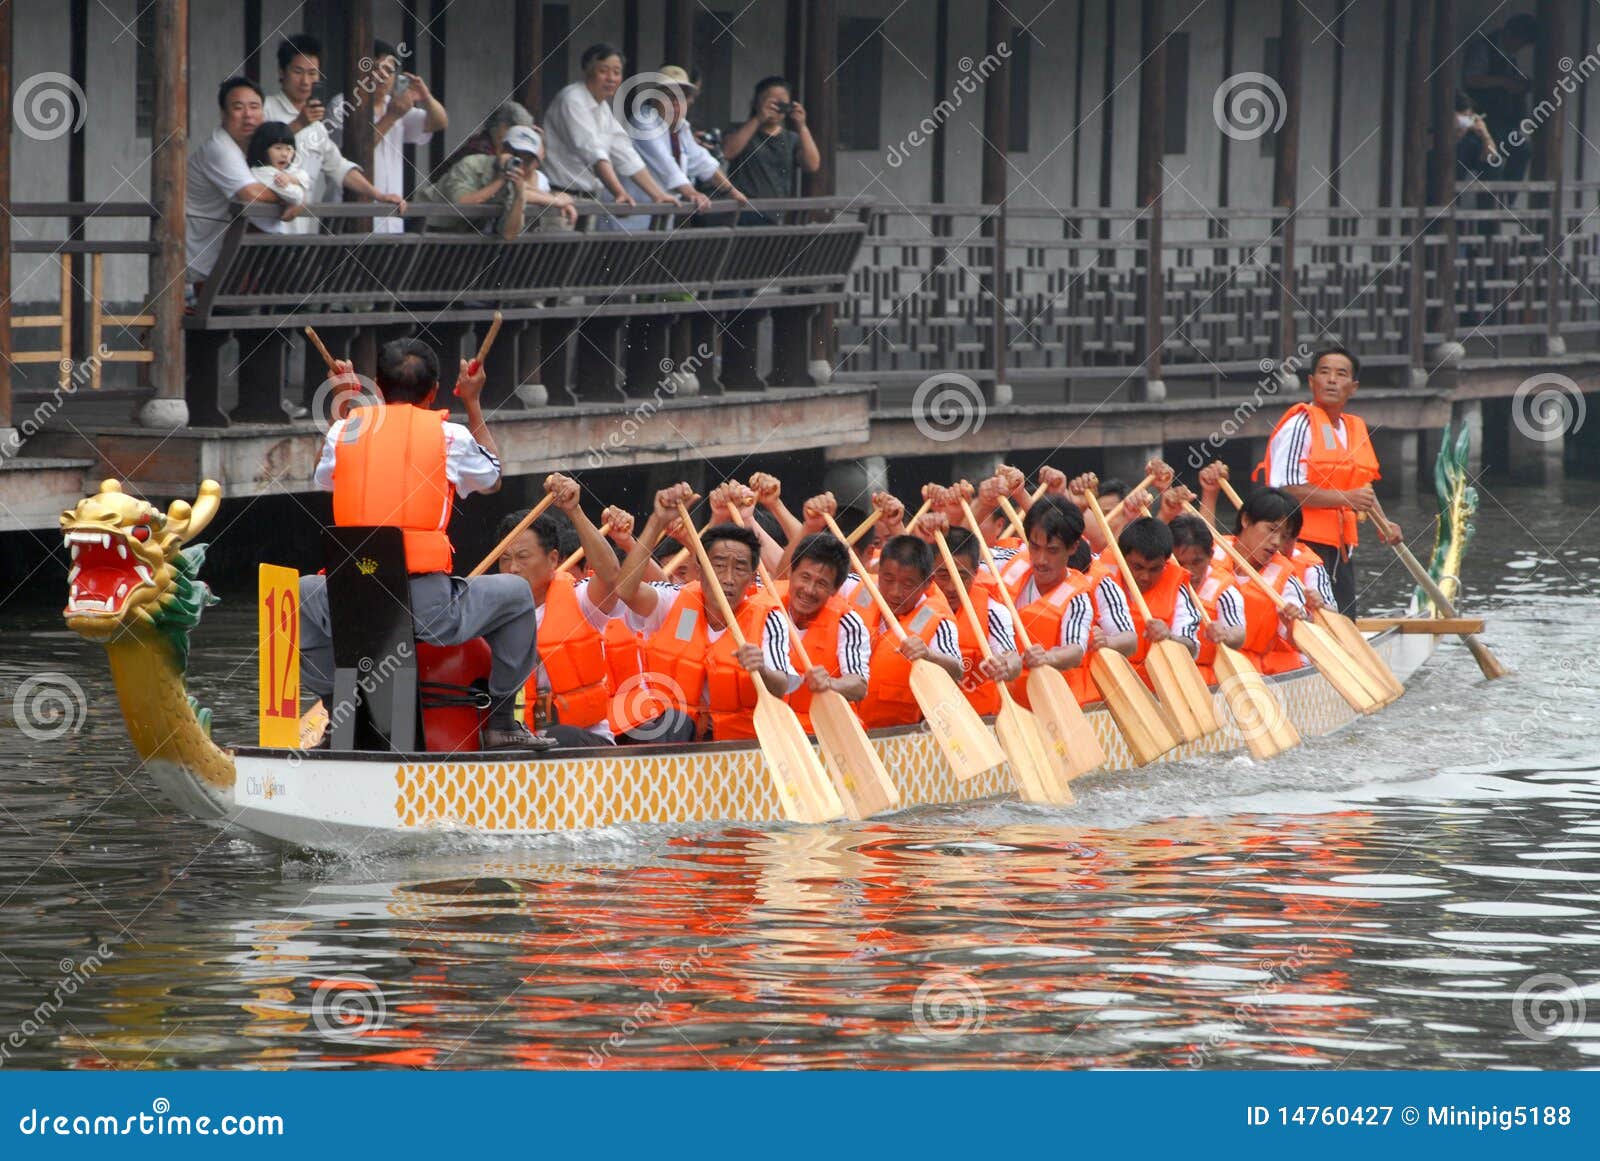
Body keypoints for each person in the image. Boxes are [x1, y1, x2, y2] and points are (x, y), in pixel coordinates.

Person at [297, 338, 551, 751]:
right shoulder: (449, 434)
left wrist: (345, 405)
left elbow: (321, 478)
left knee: (304, 592)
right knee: (518, 593)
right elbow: (493, 476)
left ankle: (334, 716)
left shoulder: (345, 430)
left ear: (378, 386)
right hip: (425, 610)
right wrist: (472, 402)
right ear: (433, 393)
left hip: (352, 603)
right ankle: (501, 722)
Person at [587, 483, 801, 744]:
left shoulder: (769, 618)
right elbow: (626, 590)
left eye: (740, 568)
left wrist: (762, 669)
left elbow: (781, 685)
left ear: (753, 577)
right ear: (700, 570)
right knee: (668, 724)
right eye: (719, 566)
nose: (728, 578)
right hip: (678, 736)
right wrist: (657, 521)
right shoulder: (676, 600)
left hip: (740, 745)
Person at [1255, 343, 1401, 616]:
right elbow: (1285, 489)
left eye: (1341, 374)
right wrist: (1346, 499)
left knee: (1344, 617)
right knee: (1310, 617)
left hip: (1340, 548)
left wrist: (1384, 521)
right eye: (1324, 372)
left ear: (1353, 386)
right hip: (1299, 544)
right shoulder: (1300, 425)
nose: (1332, 380)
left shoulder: (1352, 427)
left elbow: (1361, 486)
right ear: (1311, 381)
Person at [496, 474, 622, 746]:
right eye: (504, 559)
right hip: (523, 748)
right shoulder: (488, 616)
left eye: (522, 557)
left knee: (559, 736)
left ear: (553, 559)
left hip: (583, 742)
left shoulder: (580, 599)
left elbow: (611, 575)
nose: (513, 568)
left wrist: (573, 510)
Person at [263, 34, 405, 227]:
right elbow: (256, 152)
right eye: (298, 71)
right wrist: (299, 123)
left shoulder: (317, 125)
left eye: (312, 73)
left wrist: (379, 195)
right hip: (268, 226)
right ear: (282, 72)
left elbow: (339, 167)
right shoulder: (266, 108)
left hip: (305, 230)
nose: (305, 81)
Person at [542, 43, 680, 215]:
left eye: (616, 72)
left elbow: (625, 154)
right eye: (603, 71)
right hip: (560, 200)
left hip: (588, 201)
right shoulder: (572, 100)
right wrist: (619, 192)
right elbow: (594, 153)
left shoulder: (603, 109)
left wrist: (658, 194)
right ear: (587, 71)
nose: (611, 78)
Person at [850, 535, 963, 730]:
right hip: (844, 728)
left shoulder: (938, 622)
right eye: (887, 579)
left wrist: (928, 654)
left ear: (928, 582)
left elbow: (957, 670)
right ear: (879, 571)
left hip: (894, 736)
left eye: (908, 584)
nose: (895, 592)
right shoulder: (856, 587)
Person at [620, 64, 749, 228]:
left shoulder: (682, 127)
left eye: (682, 96)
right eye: (669, 95)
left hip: (659, 220)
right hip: (630, 220)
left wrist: (731, 191)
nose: (675, 102)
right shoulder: (642, 123)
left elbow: (703, 162)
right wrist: (692, 193)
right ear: (654, 98)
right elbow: (666, 164)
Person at [185, 77, 288, 284]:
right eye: (238, 108)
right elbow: (250, 193)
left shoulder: (259, 148)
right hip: (199, 258)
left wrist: (295, 197)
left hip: (227, 259)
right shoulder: (220, 148)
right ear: (223, 114)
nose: (248, 115)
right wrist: (291, 197)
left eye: (254, 107)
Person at [780, 532, 871, 733]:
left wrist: (830, 684)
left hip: (822, 734)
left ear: (835, 589)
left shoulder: (848, 623)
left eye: (821, 583)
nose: (809, 590)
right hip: (773, 730)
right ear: (790, 573)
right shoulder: (767, 608)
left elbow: (859, 685)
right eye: (805, 577)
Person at [420, 124, 577, 237]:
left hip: (465, 242)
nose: (520, 163)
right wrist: (499, 181)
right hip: (427, 230)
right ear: (501, 149)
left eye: (528, 159)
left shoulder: (518, 182)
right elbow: (461, 204)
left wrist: (519, 196)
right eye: (515, 154)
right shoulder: (472, 164)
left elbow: (509, 233)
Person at [930, 525, 1022, 717]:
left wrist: (1006, 666)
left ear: (975, 572)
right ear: (930, 572)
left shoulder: (993, 611)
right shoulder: (919, 609)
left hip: (981, 719)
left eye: (962, 576)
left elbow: (1010, 655)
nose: (951, 587)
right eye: (943, 575)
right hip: (930, 719)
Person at [365, 39, 448, 233]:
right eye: (377, 68)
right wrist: (391, 116)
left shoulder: (394, 105)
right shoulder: (343, 104)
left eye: (390, 70)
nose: (383, 76)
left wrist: (426, 97)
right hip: (355, 218)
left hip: (392, 219)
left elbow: (439, 123)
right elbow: (357, 152)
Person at [1226, 487, 1311, 676]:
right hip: (1206, 665)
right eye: (1272, 530)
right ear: (1246, 520)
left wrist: (1292, 625)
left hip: (1254, 672)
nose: (1276, 542)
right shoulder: (1206, 555)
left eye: (1283, 536)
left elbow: (1300, 639)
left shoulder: (1287, 579)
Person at [1111, 517, 1202, 688]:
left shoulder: (1179, 591)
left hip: (1157, 690)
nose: (1145, 577)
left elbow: (1190, 647)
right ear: (1121, 558)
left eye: (1154, 569)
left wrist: (1169, 637)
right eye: (1137, 567)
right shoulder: (1101, 580)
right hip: (1107, 686)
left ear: (1165, 563)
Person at [722, 75, 821, 223]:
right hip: (743, 213)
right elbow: (728, 152)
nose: (775, 109)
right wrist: (759, 118)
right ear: (756, 104)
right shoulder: (740, 131)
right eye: (770, 103)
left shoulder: (791, 138)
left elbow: (812, 165)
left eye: (781, 105)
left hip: (776, 216)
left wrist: (802, 126)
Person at [1169, 514, 1246, 683]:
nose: (1189, 572)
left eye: (1197, 562)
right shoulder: (1157, 578)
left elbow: (1238, 632)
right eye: (1181, 563)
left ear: (1211, 555)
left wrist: (1225, 634)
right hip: (1164, 673)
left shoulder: (1226, 591)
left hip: (1207, 680)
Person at [1462, 13, 1539, 181]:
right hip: (1481, 119)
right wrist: (1504, 82)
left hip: (1504, 122)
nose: (1520, 47)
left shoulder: (1509, 55)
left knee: (1523, 150)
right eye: (1520, 42)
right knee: (1492, 163)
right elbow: (1471, 79)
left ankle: (1507, 203)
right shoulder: (1484, 48)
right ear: (1509, 33)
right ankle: (1489, 205)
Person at [244, 122, 309, 234]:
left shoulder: (284, 172)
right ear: (262, 149)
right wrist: (301, 190)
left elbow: (305, 177)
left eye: (289, 149)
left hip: (272, 235)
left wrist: (290, 178)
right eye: (278, 148)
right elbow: (296, 197)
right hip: (258, 235)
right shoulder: (262, 172)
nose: (284, 154)